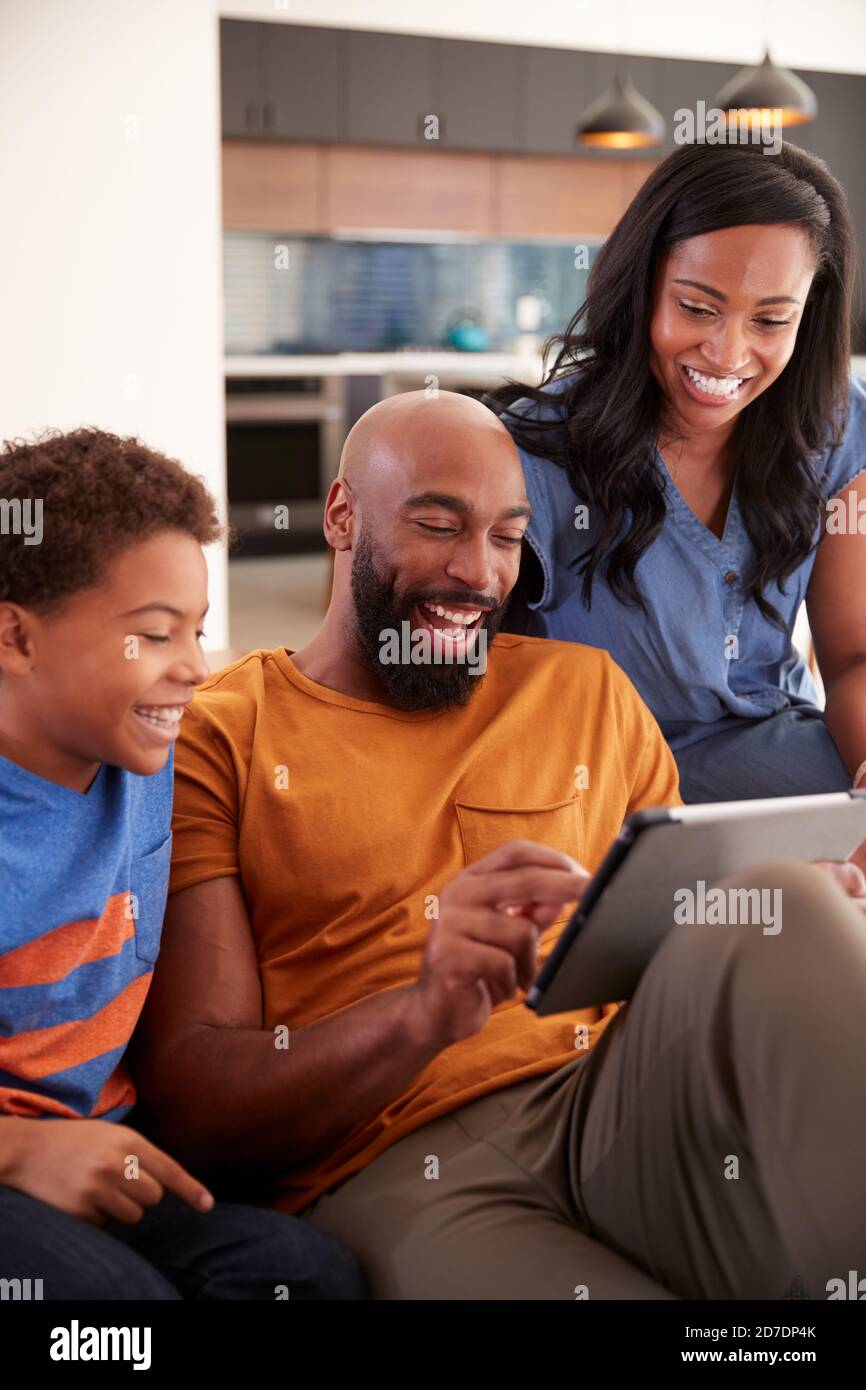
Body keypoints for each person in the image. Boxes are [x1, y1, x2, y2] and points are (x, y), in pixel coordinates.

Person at [130, 391, 866, 1300]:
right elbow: (196, 1098)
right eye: (438, 525)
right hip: (393, 1164)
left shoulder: (587, 692)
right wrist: (424, 1011)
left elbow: (680, 948)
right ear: (341, 516)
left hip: (615, 1106)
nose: (477, 573)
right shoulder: (221, 734)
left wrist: (784, 905)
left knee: (794, 905)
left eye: (509, 538)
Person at [0, 428, 367, 1299]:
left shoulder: (158, 753)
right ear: (16, 636)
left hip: (107, 1147)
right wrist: (22, 1151)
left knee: (305, 1273)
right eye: (157, 635)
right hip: (20, 1163)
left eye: (198, 631)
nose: (194, 669)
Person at [486, 138, 866, 806]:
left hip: (781, 766)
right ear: (643, 285)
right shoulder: (530, 449)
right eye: (696, 307)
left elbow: (855, 656)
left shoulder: (836, 426)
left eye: (772, 319)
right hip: (590, 787)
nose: (727, 353)